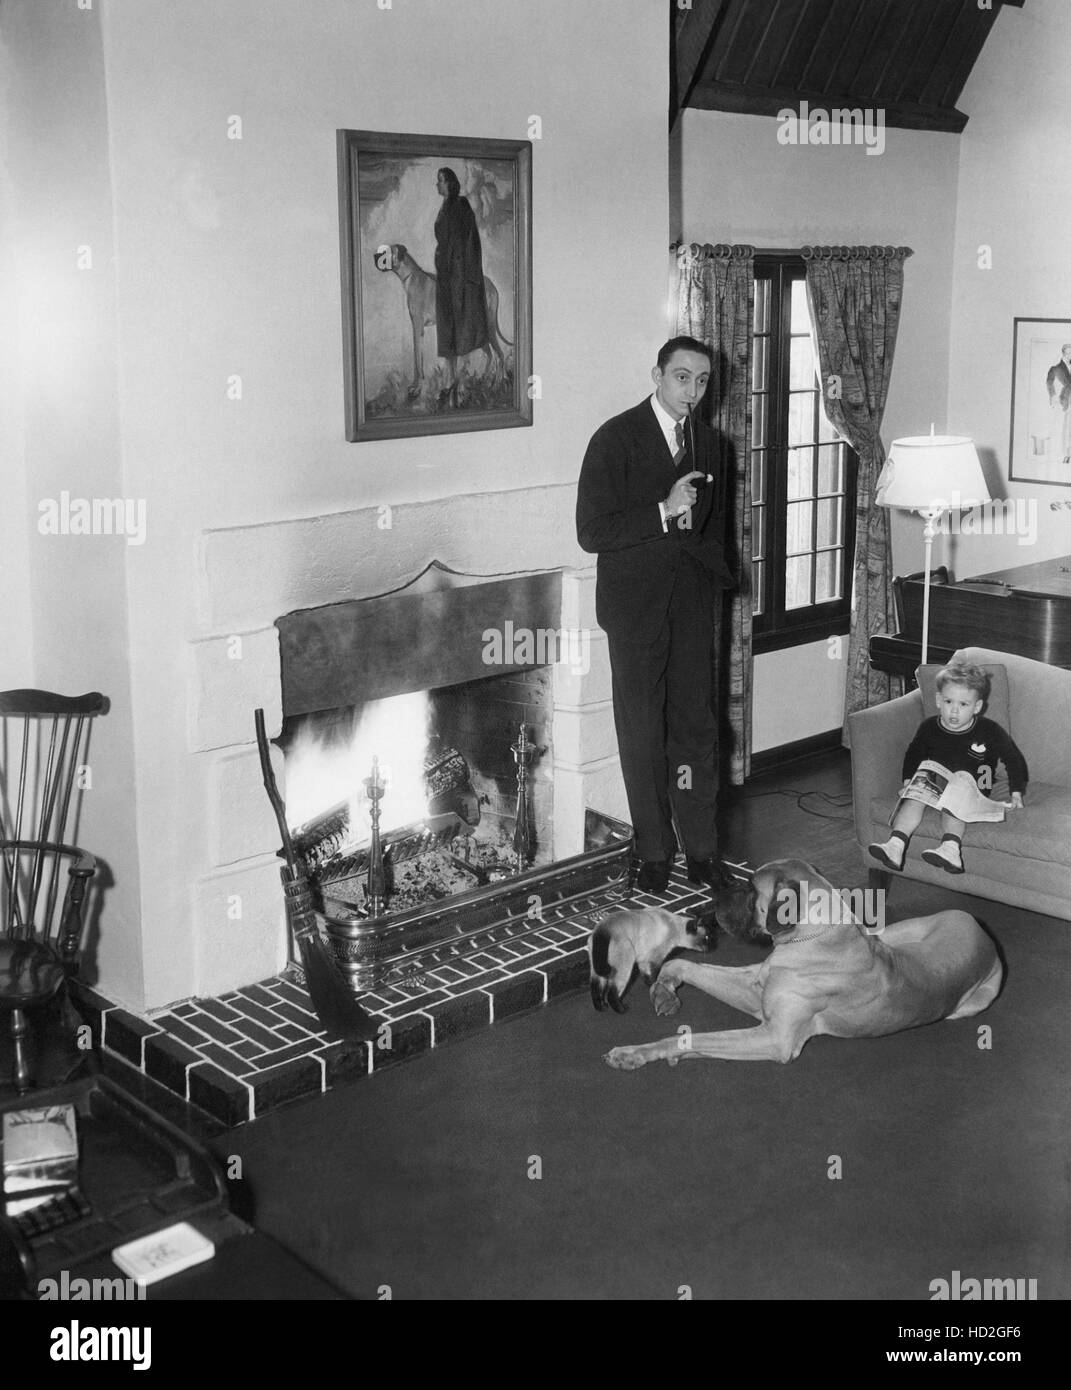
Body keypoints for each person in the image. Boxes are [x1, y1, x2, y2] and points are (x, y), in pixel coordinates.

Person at [576, 336, 734, 893]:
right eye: (682, 377)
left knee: (696, 729)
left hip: (690, 607)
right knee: (642, 732)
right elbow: (591, 532)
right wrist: (662, 511)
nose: (693, 390)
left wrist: (715, 583)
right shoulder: (614, 439)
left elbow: (715, 528)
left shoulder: (713, 445)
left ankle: (703, 849)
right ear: (657, 376)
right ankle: (653, 849)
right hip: (635, 611)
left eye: (702, 380)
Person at [869, 663, 1027, 875]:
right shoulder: (929, 728)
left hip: (977, 787)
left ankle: (951, 849)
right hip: (938, 785)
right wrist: (908, 782)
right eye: (948, 701)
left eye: (963, 704)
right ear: (938, 701)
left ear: (977, 707)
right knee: (916, 795)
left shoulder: (989, 730)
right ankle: (895, 845)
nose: (954, 710)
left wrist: (1016, 791)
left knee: (959, 786)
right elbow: (913, 753)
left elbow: (1013, 758)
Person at [433, 167, 489, 407]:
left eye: (441, 181)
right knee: (447, 326)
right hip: (445, 276)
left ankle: (463, 384)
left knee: (463, 325)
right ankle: (449, 381)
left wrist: (469, 275)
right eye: (438, 182)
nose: (438, 185)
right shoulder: (444, 207)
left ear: (451, 183)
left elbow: (471, 240)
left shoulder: (462, 205)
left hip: (461, 276)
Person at [1045, 343, 1071, 465]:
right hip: (1062, 403)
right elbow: (1049, 384)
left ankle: (1068, 455)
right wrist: (1054, 397)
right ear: (1063, 353)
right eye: (1068, 353)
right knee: (1061, 429)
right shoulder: (1055, 369)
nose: (1070, 355)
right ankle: (1061, 455)